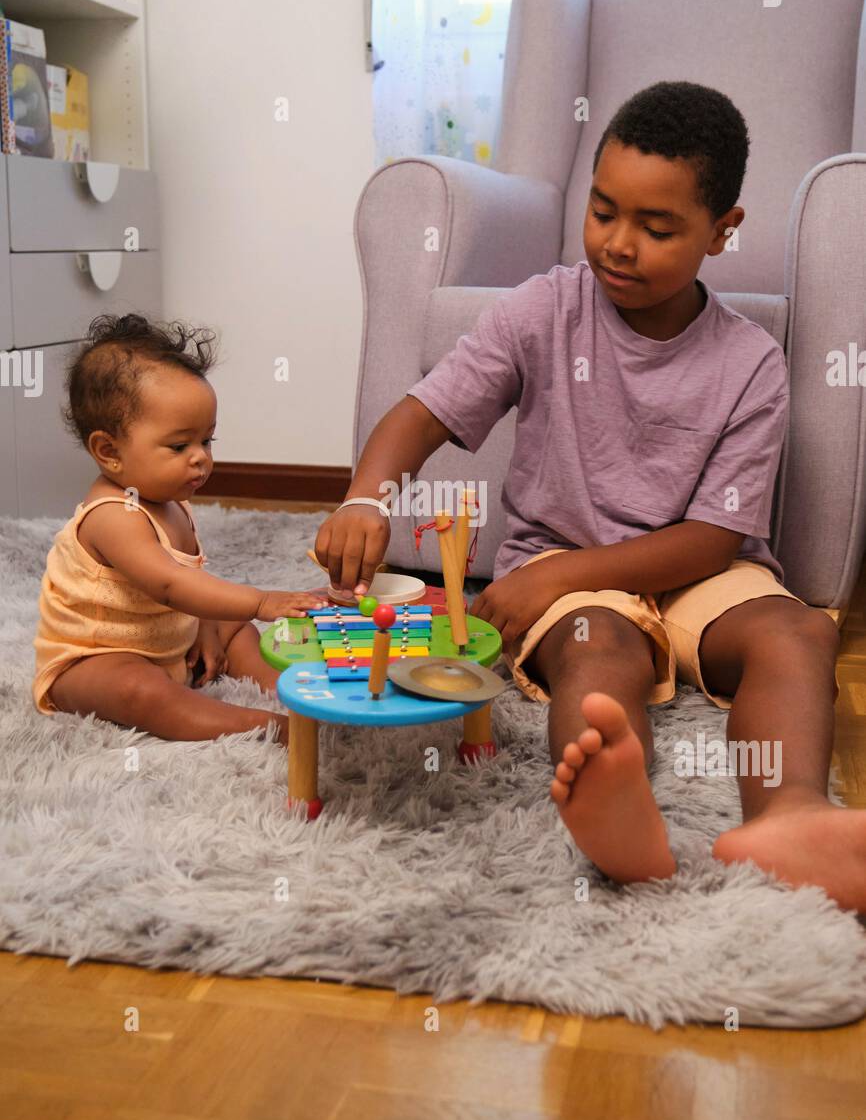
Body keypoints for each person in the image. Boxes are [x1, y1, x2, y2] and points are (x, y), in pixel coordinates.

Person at [315, 80, 864, 912]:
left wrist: (557, 577)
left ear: (723, 231)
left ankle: (787, 811)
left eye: (657, 226)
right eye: (603, 211)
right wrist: (366, 497)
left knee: (796, 633)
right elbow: (423, 413)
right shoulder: (544, 310)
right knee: (598, 648)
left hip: (697, 575)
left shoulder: (752, 363)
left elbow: (715, 539)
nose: (618, 243)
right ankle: (620, 809)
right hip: (570, 576)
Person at [33, 314, 326, 744]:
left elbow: (189, 588)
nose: (200, 458)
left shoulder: (171, 501)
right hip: (94, 660)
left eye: (207, 441)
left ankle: (293, 689)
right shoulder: (112, 516)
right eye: (179, 446)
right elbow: (170, 584)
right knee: (140, 690)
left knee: (234, 628)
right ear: (108, 450)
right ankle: (259, 726)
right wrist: (261, 600)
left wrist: (206, 619)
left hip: (167, 642)